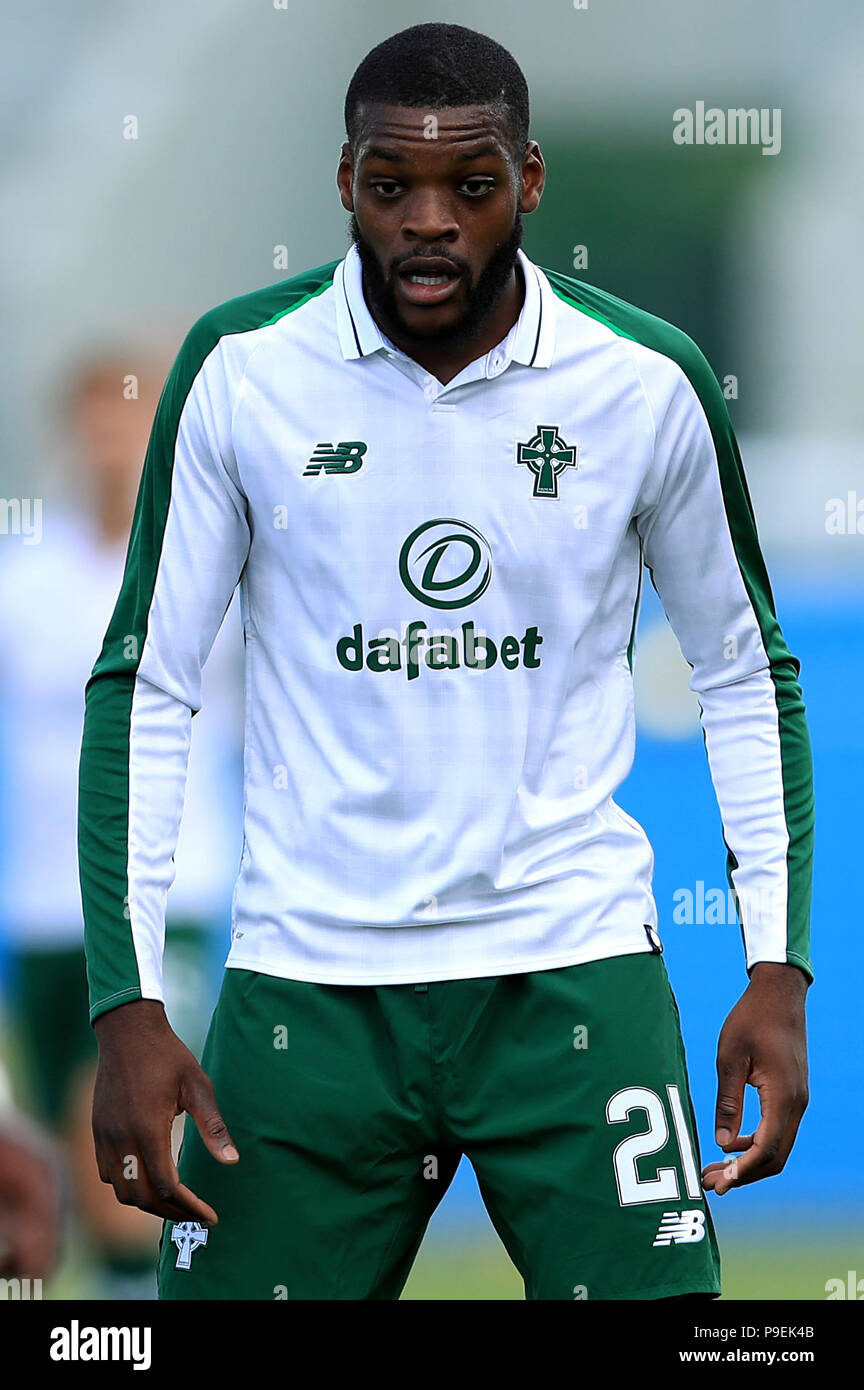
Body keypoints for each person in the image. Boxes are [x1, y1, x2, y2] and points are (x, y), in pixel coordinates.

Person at [78, 24, 813, 1301]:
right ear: (344, 181)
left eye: (469, 187)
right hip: (312, 986)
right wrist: (130, 1003)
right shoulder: (243, 371)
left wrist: (775, 967)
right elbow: (150, 686)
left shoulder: (645, 383)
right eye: (389, 186)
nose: (428, 221)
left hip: (572, 971)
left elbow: (747, 674)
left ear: (529, 181)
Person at [0, 354, 240, 1297]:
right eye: (93, 420)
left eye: (129, 421)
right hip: (42, 909)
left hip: (164, 898)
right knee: (73, 1146)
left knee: (130, 1144)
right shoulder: (26, 576)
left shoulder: (209, 566)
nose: (111, 443)